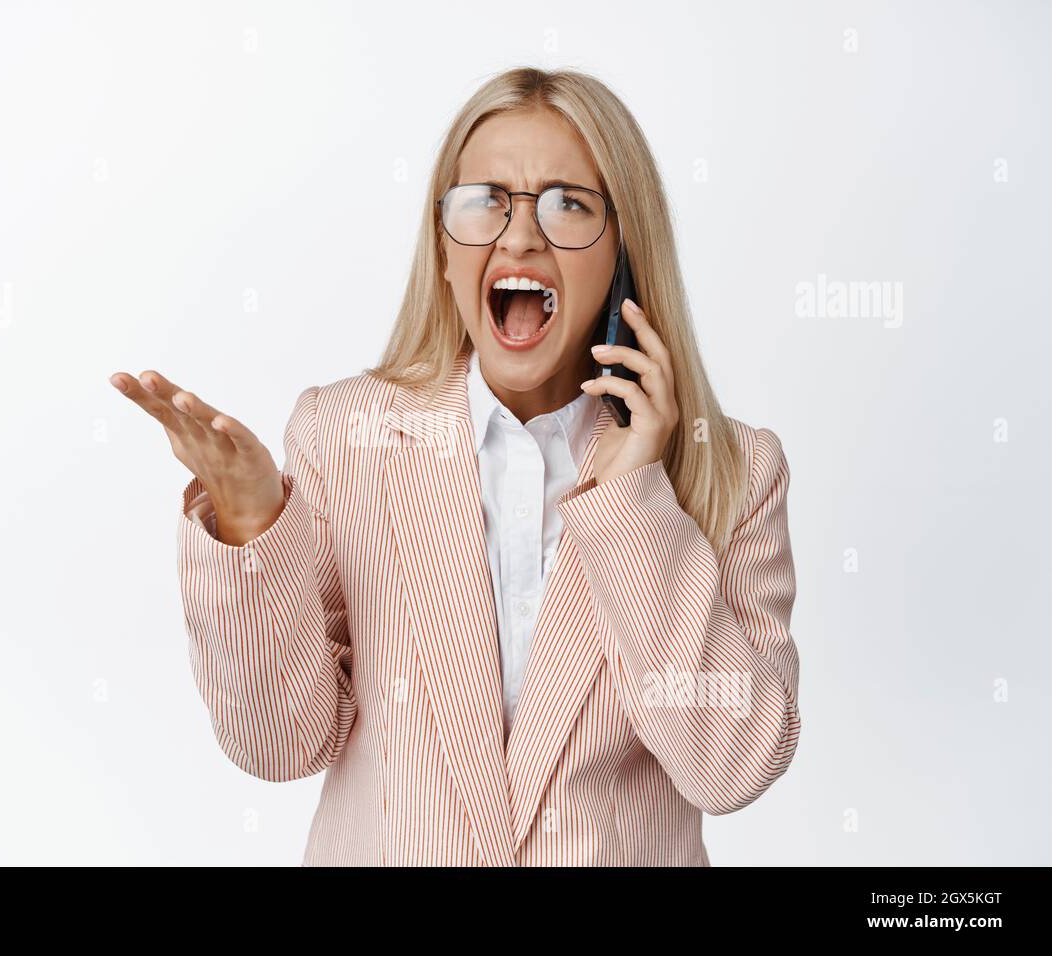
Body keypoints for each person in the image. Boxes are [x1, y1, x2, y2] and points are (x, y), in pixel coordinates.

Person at [109, 66, 800, 866]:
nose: (519, 237)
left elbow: (731, 765)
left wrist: (637, 507)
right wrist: (250, 524)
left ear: (624, 253)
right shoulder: (342, 436)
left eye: (567, 203)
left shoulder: (737, 470)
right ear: (444, 251)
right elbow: (279, 744)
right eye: (485, 204)